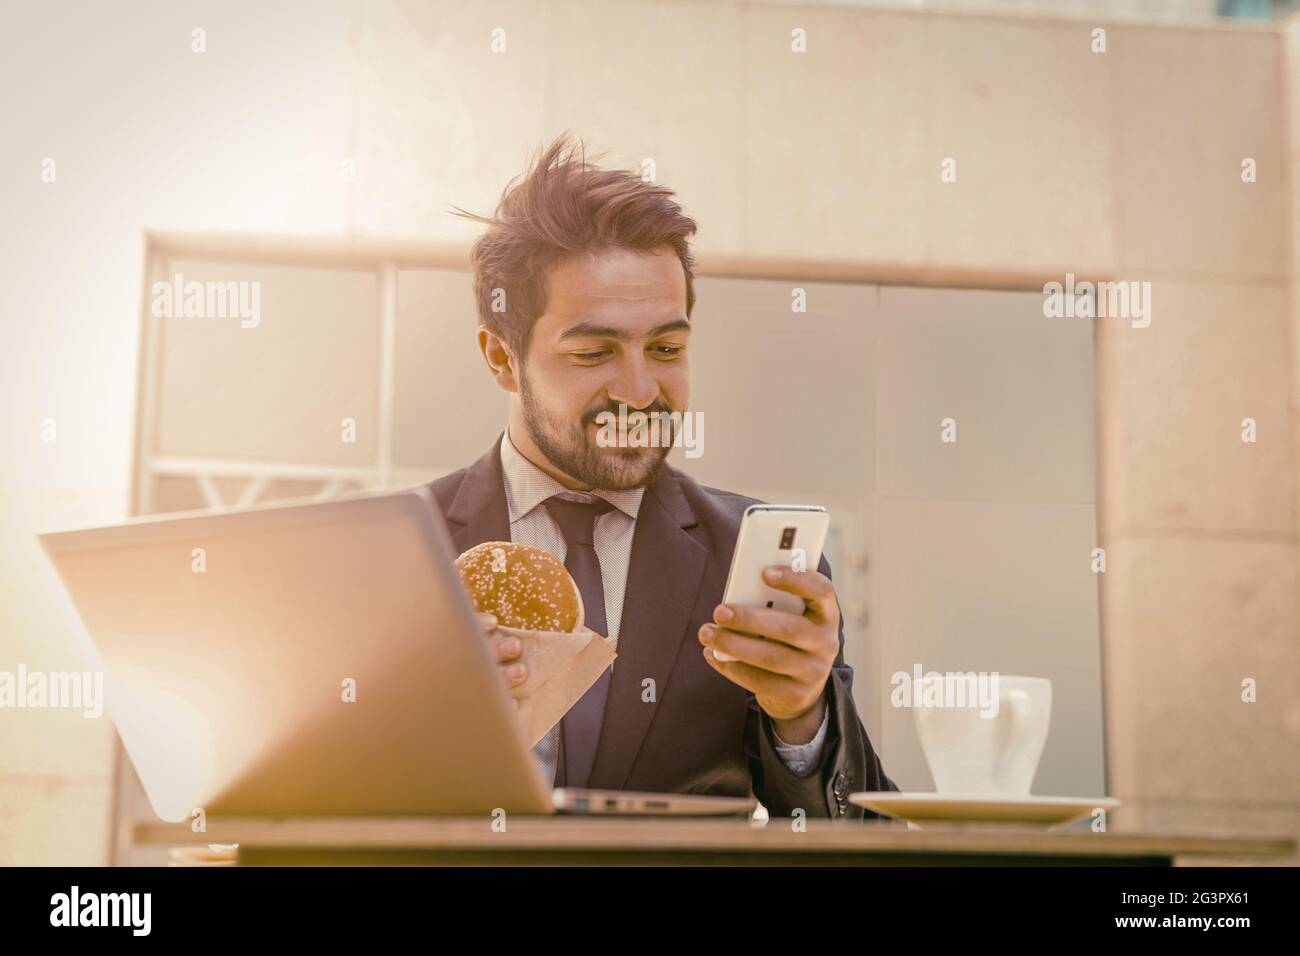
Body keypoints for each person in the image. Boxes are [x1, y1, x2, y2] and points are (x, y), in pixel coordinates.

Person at [431, 133, 896, 818]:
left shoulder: (749, 557)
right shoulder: (400, 554)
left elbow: (863, 836)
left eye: (667, 347)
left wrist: (803, 721)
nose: (642, 389)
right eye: (595, 352)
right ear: (502, 358)